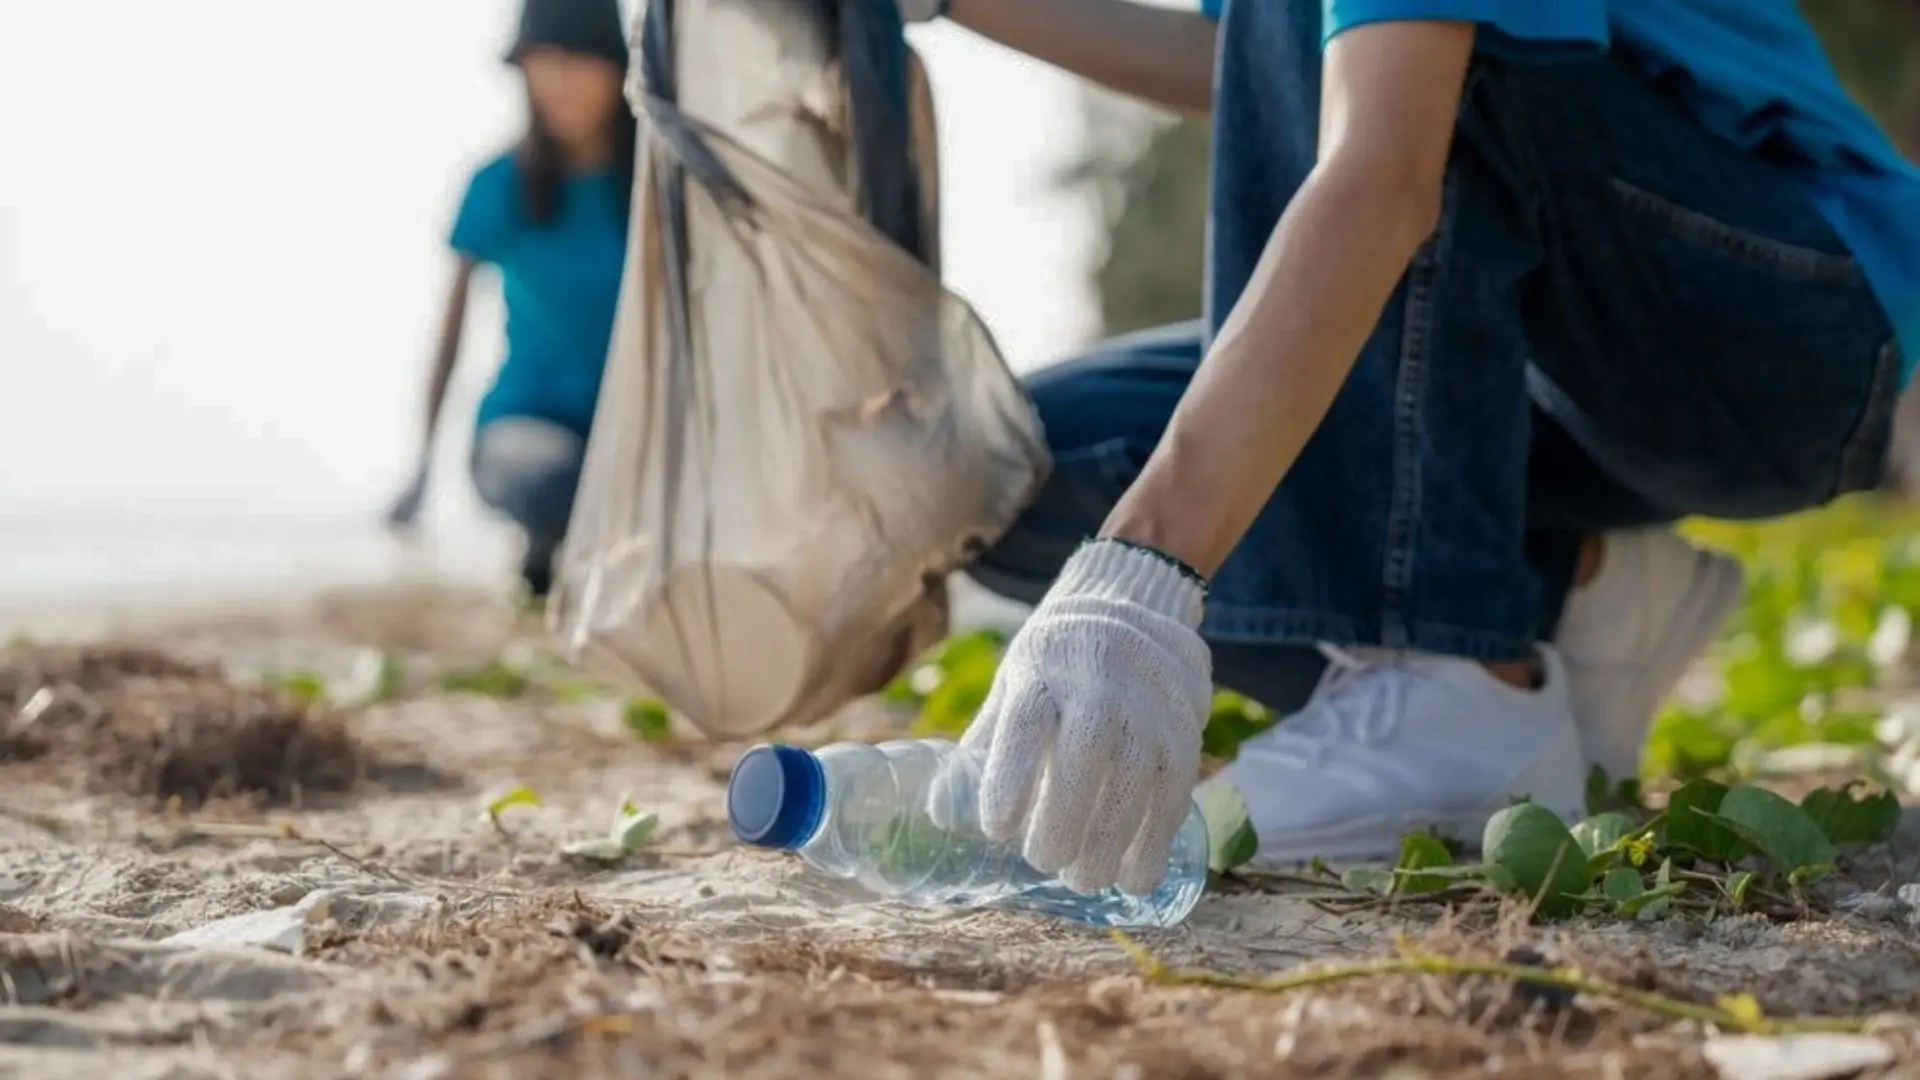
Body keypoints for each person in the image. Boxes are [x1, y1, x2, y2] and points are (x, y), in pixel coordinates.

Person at [898, 0, 1920, 894]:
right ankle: (1580, 598)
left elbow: (1386, 170)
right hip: (1551, 361)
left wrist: (1141, 565)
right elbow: (1255, 67)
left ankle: (1453, 679)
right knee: (1015, 467)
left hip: (1787, 330)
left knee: (1418, 64)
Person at [386, 0, 635, 599]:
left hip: (639, 423)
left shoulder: (662, 182)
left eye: (577, 64)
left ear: (616, 69)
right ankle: (550, 551)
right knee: (551, 479)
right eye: (541, 67)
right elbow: (450, 331)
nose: (559, 86)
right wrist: (422, 466)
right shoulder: (498, 184)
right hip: (530, 421)